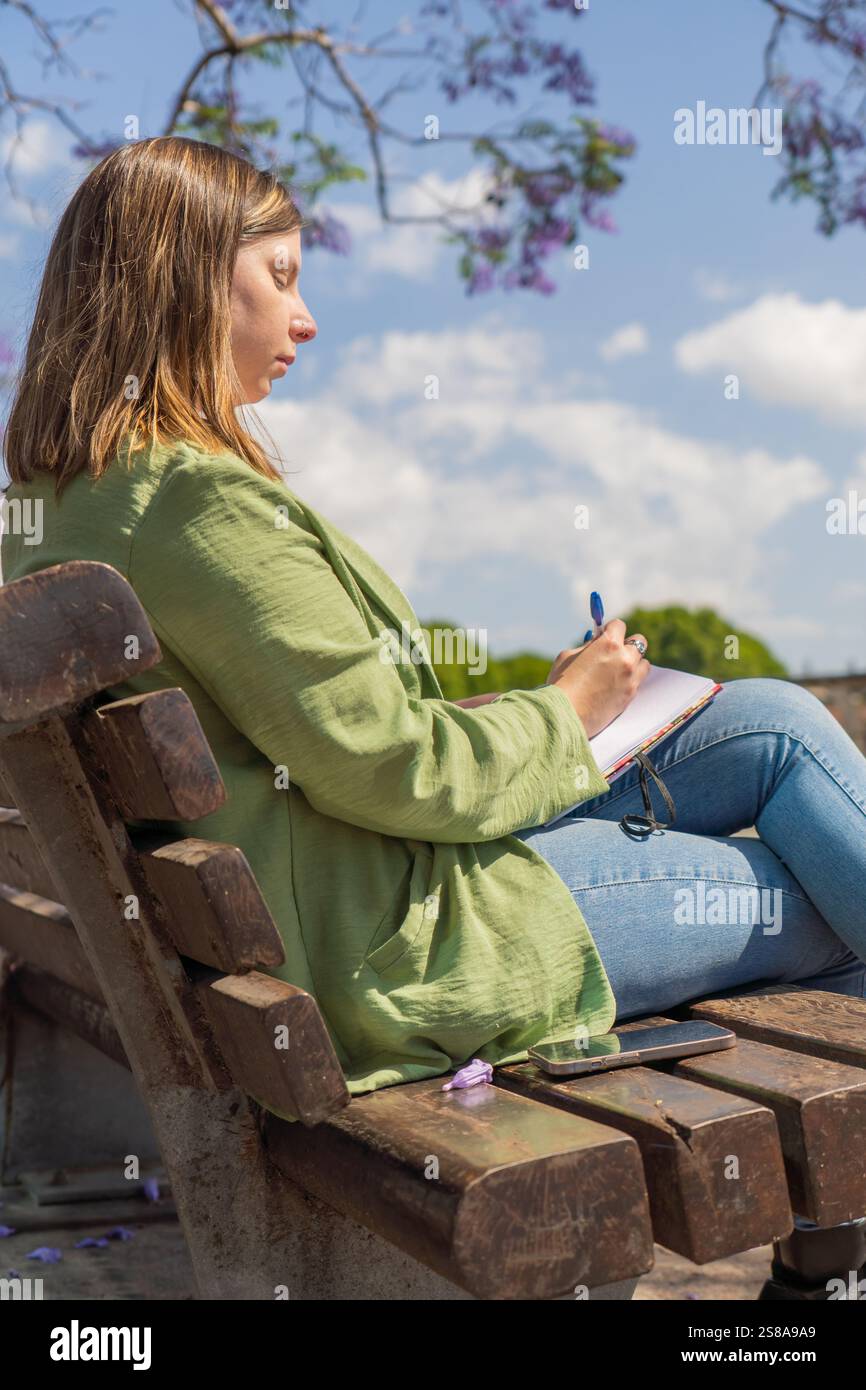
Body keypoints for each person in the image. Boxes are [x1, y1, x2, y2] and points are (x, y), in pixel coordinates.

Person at [2, 139, 864, 1112]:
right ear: (182, 275)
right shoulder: (194, 506)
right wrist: (566, 711)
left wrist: (538, 708)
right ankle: (816, 1237)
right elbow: (391, 766)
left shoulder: (60, 511)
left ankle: (817, 1250)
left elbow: (327, 737)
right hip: (401, 945)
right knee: (825, 897)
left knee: (773, 723)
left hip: (334, 901)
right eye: (279, 276)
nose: (306, 318)